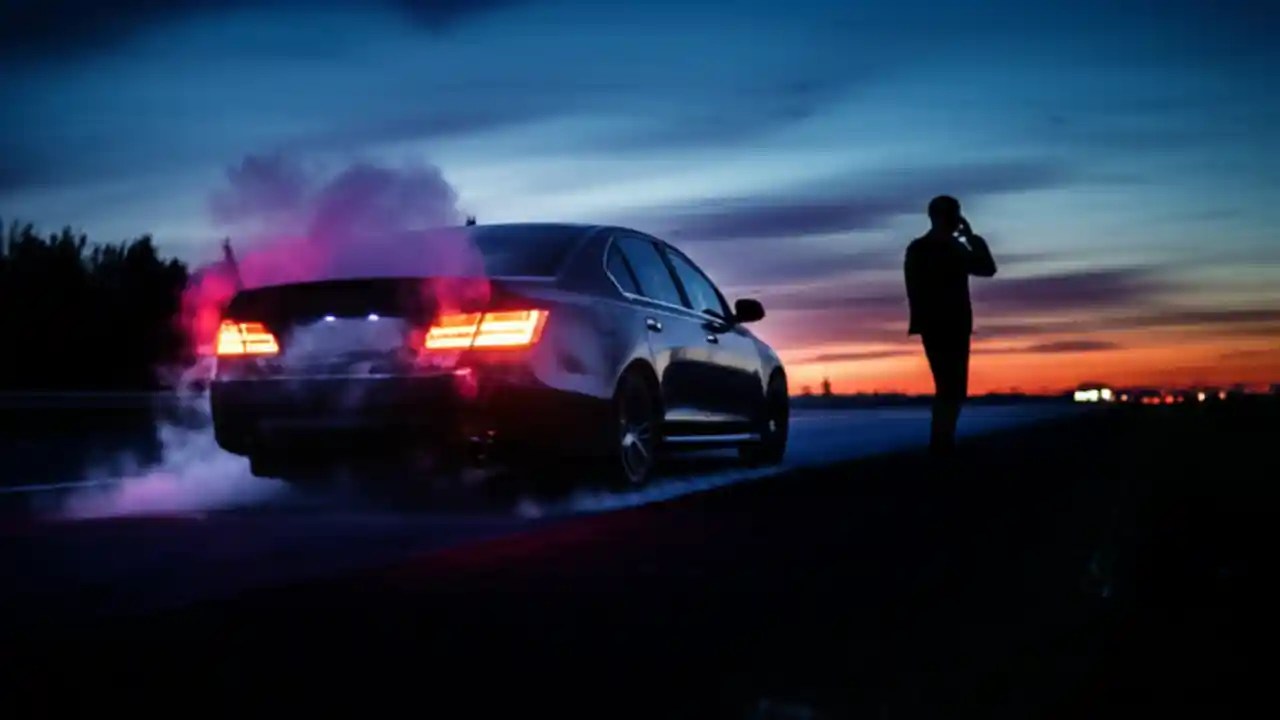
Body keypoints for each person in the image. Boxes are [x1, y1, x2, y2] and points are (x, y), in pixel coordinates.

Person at [904, 195, 997, 457]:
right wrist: (971, 238)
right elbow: (987, 267)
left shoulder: (920, 248)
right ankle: (941, 445)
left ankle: (942, 442)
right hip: (949, 325)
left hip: (939, 325)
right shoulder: (947, 248)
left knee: (948, 388)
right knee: (951, 388)